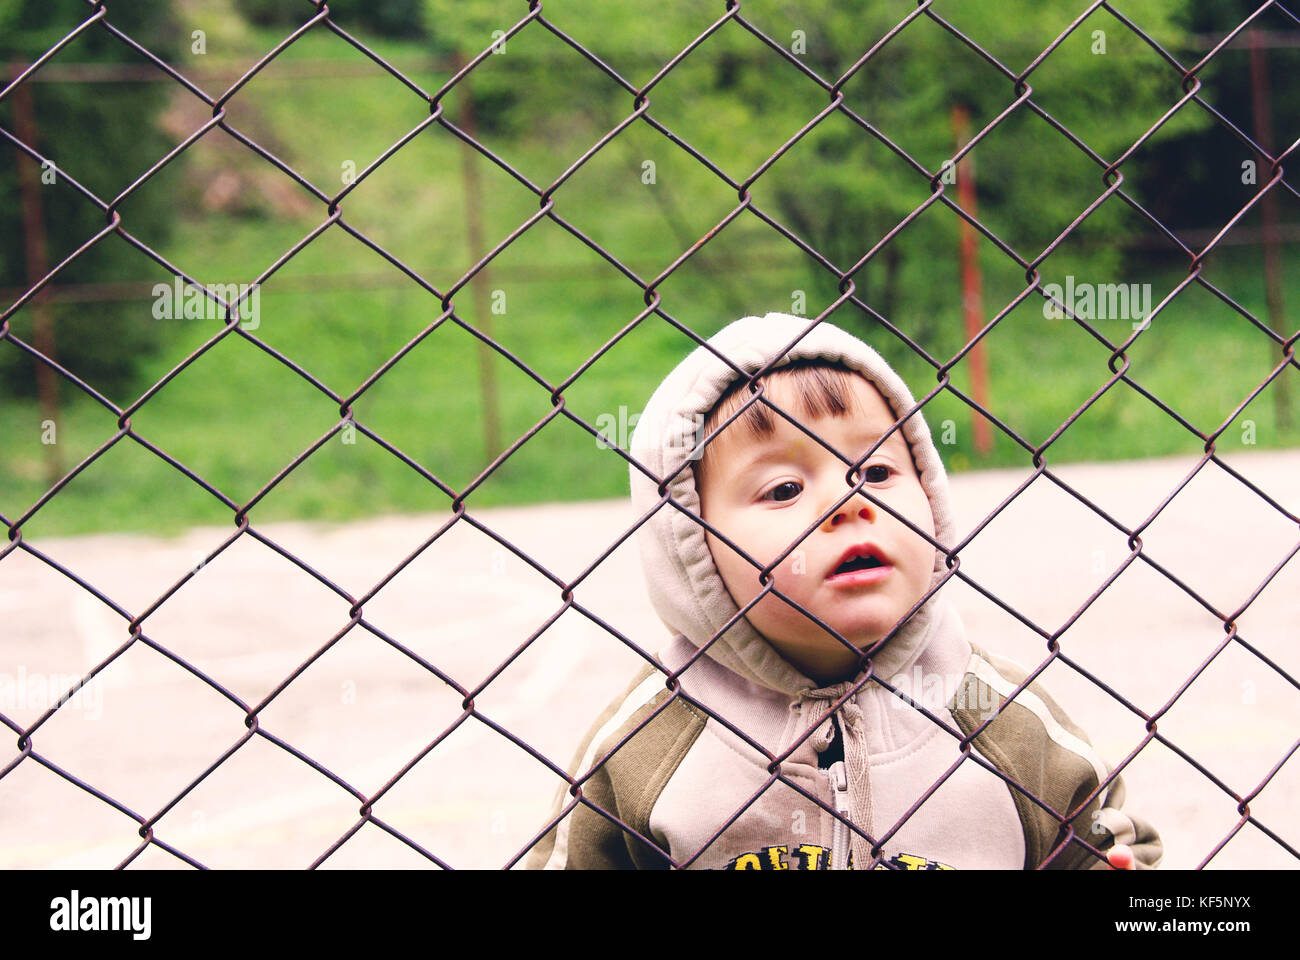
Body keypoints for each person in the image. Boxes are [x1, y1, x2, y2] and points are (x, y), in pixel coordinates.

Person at [525, 312, 1161, 870]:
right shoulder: (646, 747)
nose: (848, 503)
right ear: (690, 545)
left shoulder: (1002, 720)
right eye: (784, 489)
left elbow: (1096, 834)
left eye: (877, 470)